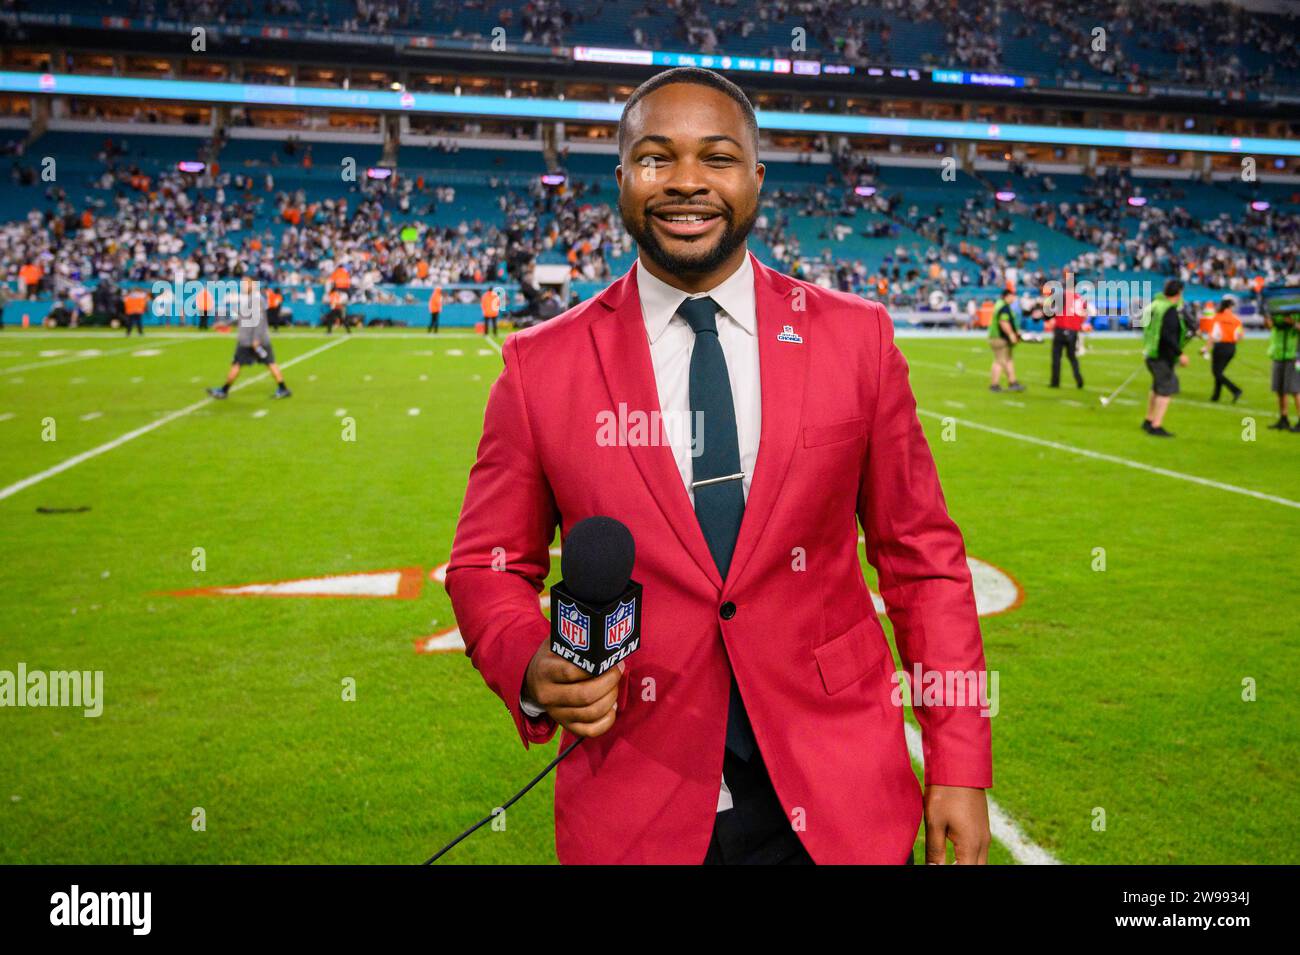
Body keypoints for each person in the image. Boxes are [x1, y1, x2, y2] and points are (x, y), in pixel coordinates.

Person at [446, 67, 992, 866]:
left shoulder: (856, 338)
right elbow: (487, 564)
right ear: (624, 178)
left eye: (718, 157)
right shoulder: (540, 366)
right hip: (640, 799)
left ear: (757, 178)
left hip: (841, 794)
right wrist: (529, 662)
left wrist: (960, 761)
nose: (688, 183)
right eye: (658, 158)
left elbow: (925, 563)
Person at [206, 290, 291, 400]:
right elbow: (241, 317)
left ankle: (224, 390)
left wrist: (256, 339)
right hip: (252, 340)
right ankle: (283, 388)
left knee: (246, 364)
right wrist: (223, 324)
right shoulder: (251, 300)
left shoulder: (256, 300)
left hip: (252, 341)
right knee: (267, 363)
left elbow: (259, 321)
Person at [1140, 279, 1190, 437]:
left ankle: (1148, 420)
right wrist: (1179, 353)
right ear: (1179, 292)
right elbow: (1167, 335)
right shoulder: (1169, 310)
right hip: (1162, 354)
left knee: (1156, 387)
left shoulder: (1155, 305)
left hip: (1150, 351)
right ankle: (1156, 425)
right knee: (1166, 390)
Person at [1263, 303, 1299, 431]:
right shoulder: (1277, 313)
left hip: (1293, 356)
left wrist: (1293, 323)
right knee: (1280, 389)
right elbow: (1270, 326)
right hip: (1278, 355)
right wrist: (1266, 318)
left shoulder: (1296, 313)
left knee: (1295, 390)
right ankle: (1284, 418)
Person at [1049, 276, 1085, 388]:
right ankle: (1078, 379)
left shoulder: (1062, 296)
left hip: (1060, 329)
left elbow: (1052, 311)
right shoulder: (1080, 299)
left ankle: (1055, 382)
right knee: (1072, 356)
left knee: (1056, 357)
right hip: (1073, 331)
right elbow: (1083, 315)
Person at [988, 287, 1025, 392]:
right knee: (1000, 361)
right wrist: (1011, 335)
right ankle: (995, 384)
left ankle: (1012, 382)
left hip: (998, 337)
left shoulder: (1001, 305)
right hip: (1000, 338)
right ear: (1007, 296)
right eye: (1013, 296)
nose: (1014, 298)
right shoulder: (1004, 307)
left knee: (1007, 360)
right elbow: (1003, 322)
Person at [1207, 296, 1243, 403]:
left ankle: (1235, 390)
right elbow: (1240, 336)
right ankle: (1216, 396)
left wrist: (1206, 348)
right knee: (1219, 372)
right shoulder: (1236, 319)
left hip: (1220, 346)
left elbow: (1212, 335)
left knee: (1216, 372)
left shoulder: (1217, 317)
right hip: (1231, 347)